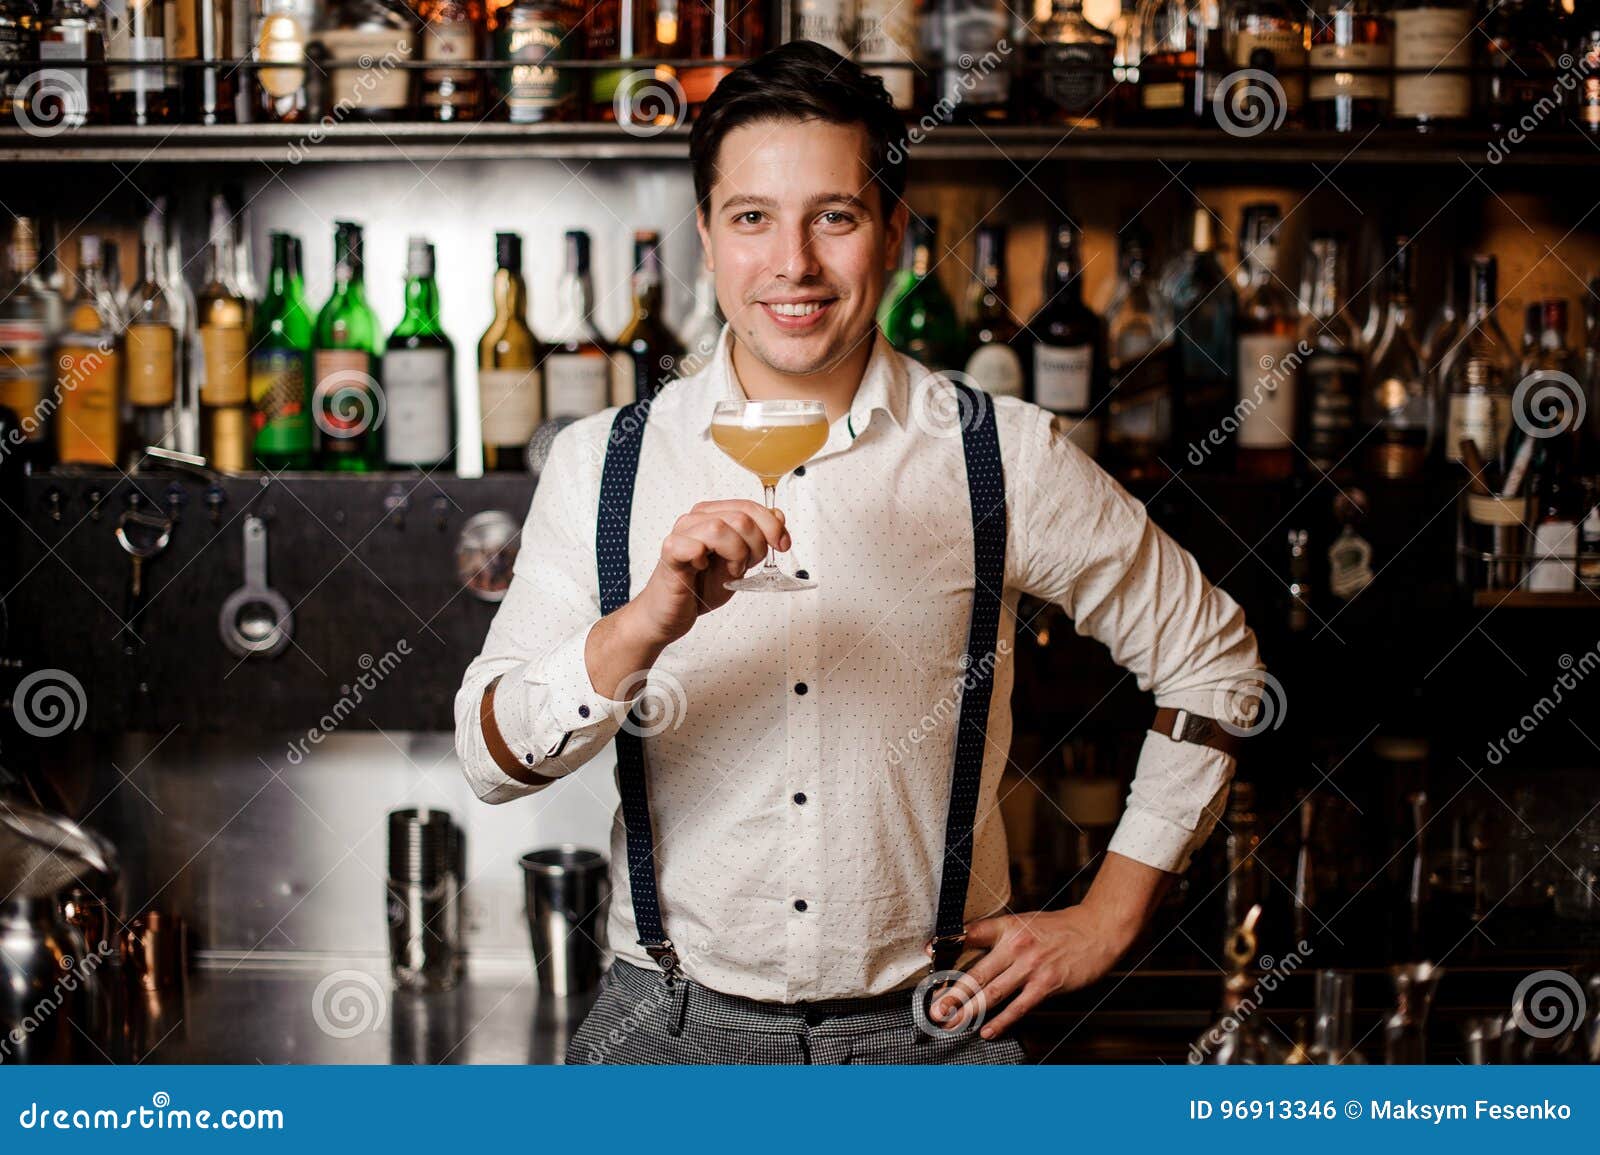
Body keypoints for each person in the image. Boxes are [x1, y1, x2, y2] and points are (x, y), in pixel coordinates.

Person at [455, 40, 1266, 1065]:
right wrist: (641, 626)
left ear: (890, 231)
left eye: (833, 217)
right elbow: (486, 761)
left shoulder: (997, 454)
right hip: (666, 1034)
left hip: (938, 1040)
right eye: (752, 218)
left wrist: (1109, 913)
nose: (792, 263)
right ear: (706, 235)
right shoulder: (600, 464)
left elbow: (1214, 659)